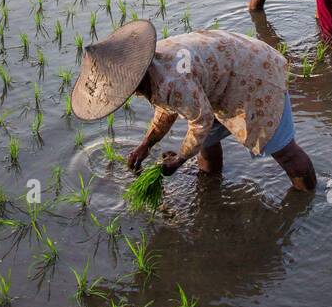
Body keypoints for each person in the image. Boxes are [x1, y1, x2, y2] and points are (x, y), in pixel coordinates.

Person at [71, 20, 316, 192]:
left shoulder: (171, 79)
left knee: (283, 149)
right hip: (221, 80)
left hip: (253, 79)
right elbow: (168, 106)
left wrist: (179, 159)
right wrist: (146, 144)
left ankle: (306, 200)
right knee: (207, 142)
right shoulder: (153, 67)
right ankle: (210, 183)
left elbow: (200, 120)